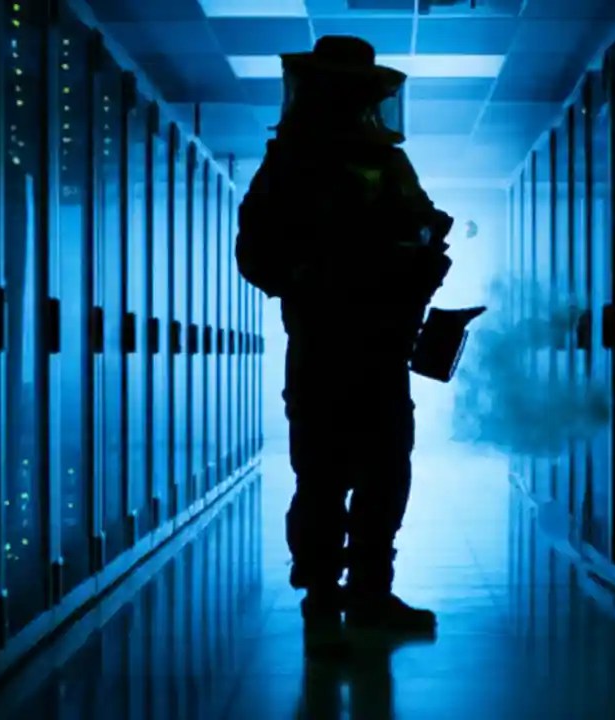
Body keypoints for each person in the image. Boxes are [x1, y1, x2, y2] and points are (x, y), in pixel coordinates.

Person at [235, 35, 453, 638]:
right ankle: (326, 597)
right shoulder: (289, 165)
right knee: (326, 475)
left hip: (381, 342)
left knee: (383, 472)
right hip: (324, 343)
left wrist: (421, 249)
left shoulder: (387, 163)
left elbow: (424, 228)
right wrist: (316, 271)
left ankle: (366, 595)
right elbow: (255, 255)